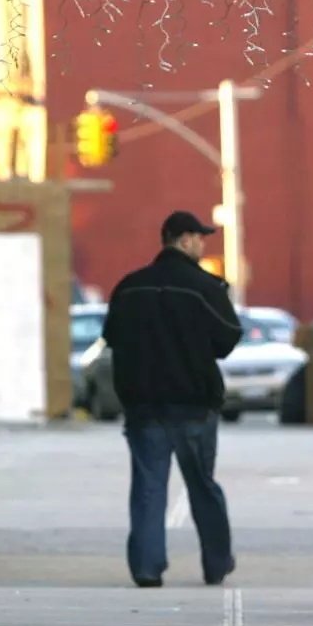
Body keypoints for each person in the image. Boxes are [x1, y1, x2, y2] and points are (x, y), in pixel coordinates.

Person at [102, 210, 243, 588]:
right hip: (194, 404)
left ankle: (147, 567)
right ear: (183, 240)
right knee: (202, 486)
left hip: (143, 407)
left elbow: (111, 337)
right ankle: (215, 563)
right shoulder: (205, 288)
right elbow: (229, 338)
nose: (202, 244)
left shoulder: (129, 287)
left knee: (148, 488)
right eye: (199, 237)